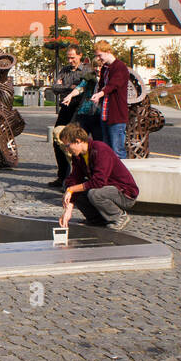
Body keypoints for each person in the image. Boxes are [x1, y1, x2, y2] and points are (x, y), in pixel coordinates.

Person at [57, 122, 138, 230]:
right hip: (107, 189)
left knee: (94, 193)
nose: (66, 149)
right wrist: (69, 208)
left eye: (67, 145)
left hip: (124, 193)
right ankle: (96, 220)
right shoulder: (78, 157)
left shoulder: (100, 149)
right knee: (79, 191)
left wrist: (71, 189)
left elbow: (99, 181)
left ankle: (119, 217)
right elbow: (74, 179)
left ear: (78, 141)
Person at [45, 44, 94, 189]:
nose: (70, 60)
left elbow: (85, 88)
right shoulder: (65, 70)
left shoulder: (86, 70)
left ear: (79, 55)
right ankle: (62, 176)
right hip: (66, 108)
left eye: (73, 57)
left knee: (74, 141)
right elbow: (54, 88)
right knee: (57, 140)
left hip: (80, 109)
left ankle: (78, 176)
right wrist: (70, 87)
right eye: (68, 58)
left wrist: (66, 87)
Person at [90, 42, 131, 160]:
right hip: (105, 114)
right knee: (106, 150)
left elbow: (113, 85)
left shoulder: (120, 67)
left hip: (116, 116)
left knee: (117, 150)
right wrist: (98, 96)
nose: (98, 59)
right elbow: (102, 85)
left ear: (108, 52)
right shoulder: (105, 68)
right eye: (96, 56)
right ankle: (109, 176)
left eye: (100, 55)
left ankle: (122, 176)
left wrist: (100, 94)